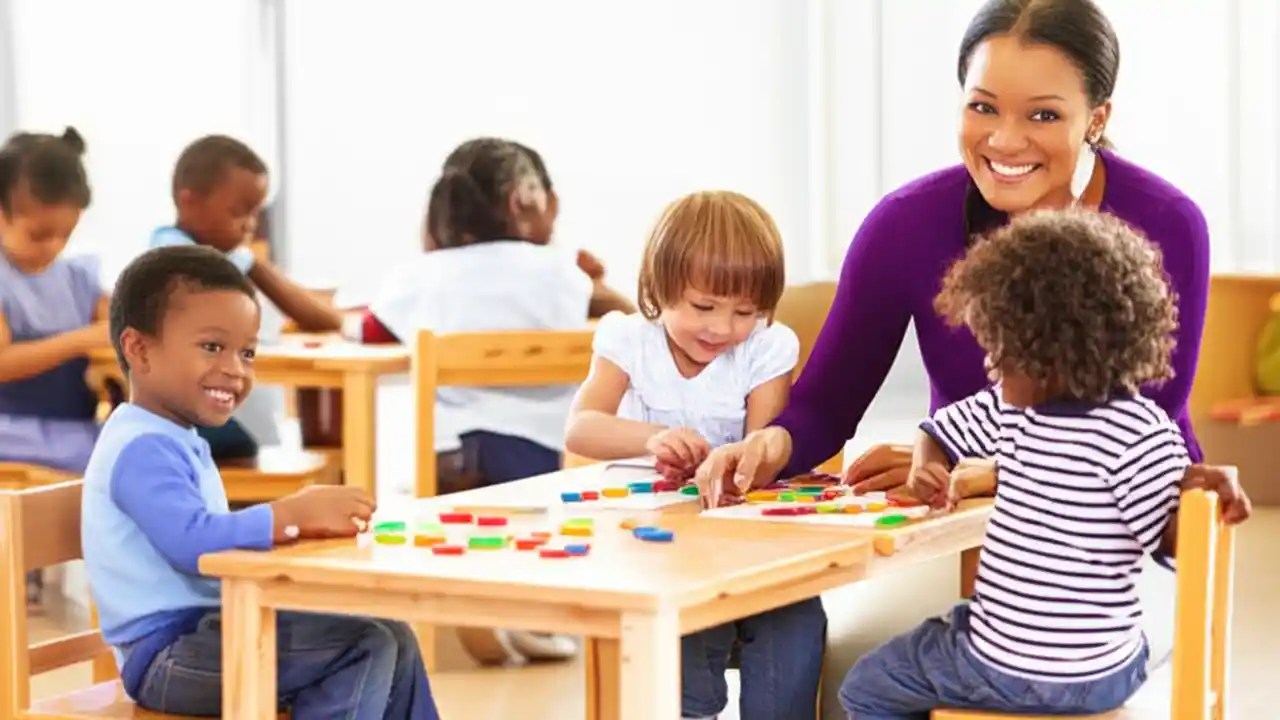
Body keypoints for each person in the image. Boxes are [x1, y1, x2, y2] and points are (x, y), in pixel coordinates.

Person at [695, 0, 1223, 531]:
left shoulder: (1167, 224)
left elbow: (1144, 417)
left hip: (1139, 519)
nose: (1004, 140)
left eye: (1044, 114)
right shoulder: (906, 223)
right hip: (962, 520)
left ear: (1097, 118)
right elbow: (827, 404)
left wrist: (991, 470)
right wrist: (770, 444)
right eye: (983, 107)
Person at [838, 208, 1251, 719]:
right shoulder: (1139, 429)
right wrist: (929, 462)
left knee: (866, 685)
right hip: (1105, 675)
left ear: (1053, 352)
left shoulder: (1019, 413)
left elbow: (1176, 537)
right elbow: (938, 431)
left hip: (1006, 669)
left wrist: (1193, 490)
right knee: (976, 623)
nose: (989, 363)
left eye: (1003, 350)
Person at [81, 244, 438, 718]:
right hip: (169, 656)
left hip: (208, 633)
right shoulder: (140, 447)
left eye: (246, 352)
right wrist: (289, 515)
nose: (234, 369)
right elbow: (193, 545)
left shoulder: (171, 436)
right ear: (139, 349)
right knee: (363, 645)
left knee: (392, 634)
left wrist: (297, 524)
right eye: (213, 347)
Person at [567, 191, 820, 720]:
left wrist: (732, 462)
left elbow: (766, 447)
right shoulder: (628, 339)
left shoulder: (766, 348)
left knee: (794, 613)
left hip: (741, 538)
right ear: (659, 289)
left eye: (744, 312)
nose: (722, 329)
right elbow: (581, 429)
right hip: (655, 541)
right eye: (703, 307)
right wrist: (652, 438)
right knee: (685, 615)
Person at [150, 134, 342, 461]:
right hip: (201, 421)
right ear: (189, 202)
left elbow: (324, 320)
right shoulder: (170, 256)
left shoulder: (233, 258)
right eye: (239, 212)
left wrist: (254, 263)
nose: (249, 226)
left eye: (256, 214)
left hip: (241, 415)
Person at [0, 127, 102, 612]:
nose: (53, 246)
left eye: (66, 234)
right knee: (106, 464)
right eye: (40, 234)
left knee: (130, 451)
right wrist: (78, 340)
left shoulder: (79, 277)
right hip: (13, 426)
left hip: (74, 424)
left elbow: (115, 325)